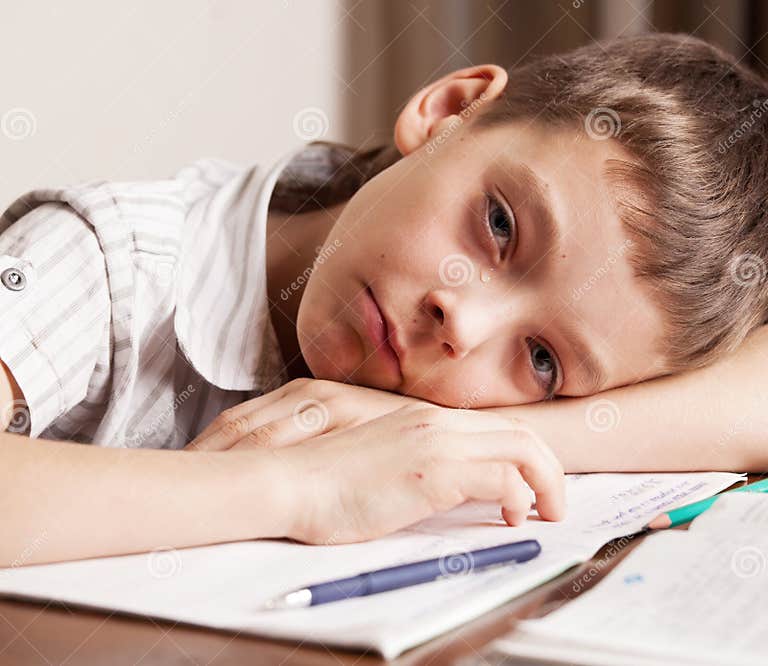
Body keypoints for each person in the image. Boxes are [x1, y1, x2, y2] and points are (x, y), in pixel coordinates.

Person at [1, 32, 766, 567]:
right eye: (500, 226)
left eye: (541, 359)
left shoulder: (453, 409)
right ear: (450, 110)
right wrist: (303, 488)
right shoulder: (109, 262)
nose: (464, 323)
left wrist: (472, 432)